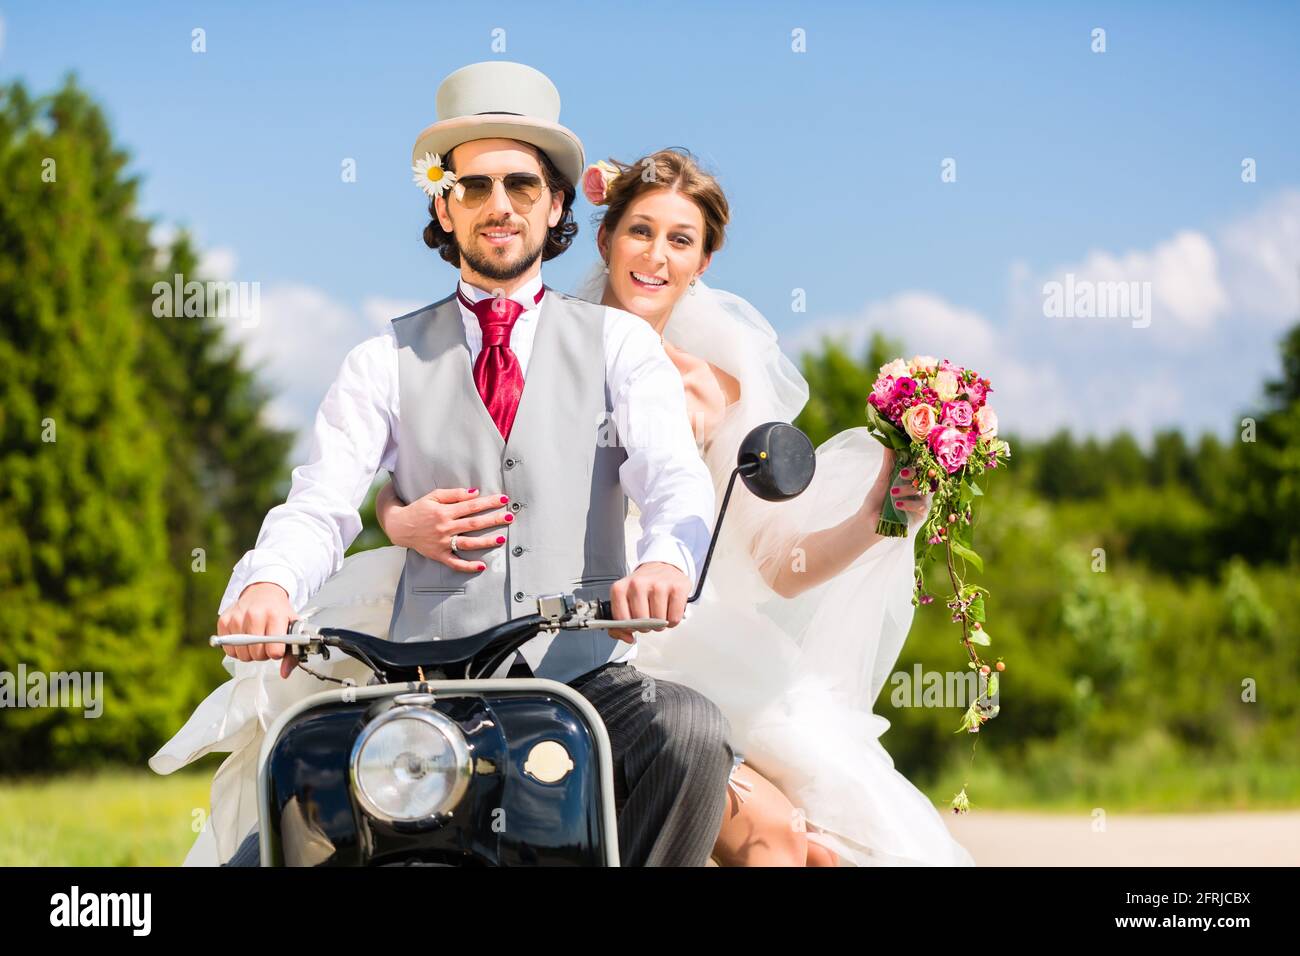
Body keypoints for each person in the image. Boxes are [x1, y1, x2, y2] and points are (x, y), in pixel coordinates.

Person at [149, 62, 735, 868]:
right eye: (475, 185)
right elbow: (322, 501)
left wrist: (666, 561)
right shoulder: (380, 359)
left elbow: (672, 475)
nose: (500, 206)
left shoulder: (620, 346)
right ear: (443, 204)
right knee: (283, 828)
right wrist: (267, 585)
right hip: (424, 682)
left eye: (523, 185)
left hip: (580, 676)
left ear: (557, 203)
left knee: (692, 736)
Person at [378, 149, 976, 867]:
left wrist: (879, 513)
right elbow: (440, 457)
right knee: (770, 832)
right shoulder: (531, 341)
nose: (655, 257)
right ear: (603, 239)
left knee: (823, 841)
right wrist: (394, 516)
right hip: (567, 630)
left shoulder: (715, 388)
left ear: (704, 262)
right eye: (639, 231)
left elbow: (778, 565)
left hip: (689, 632)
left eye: (680, 240)